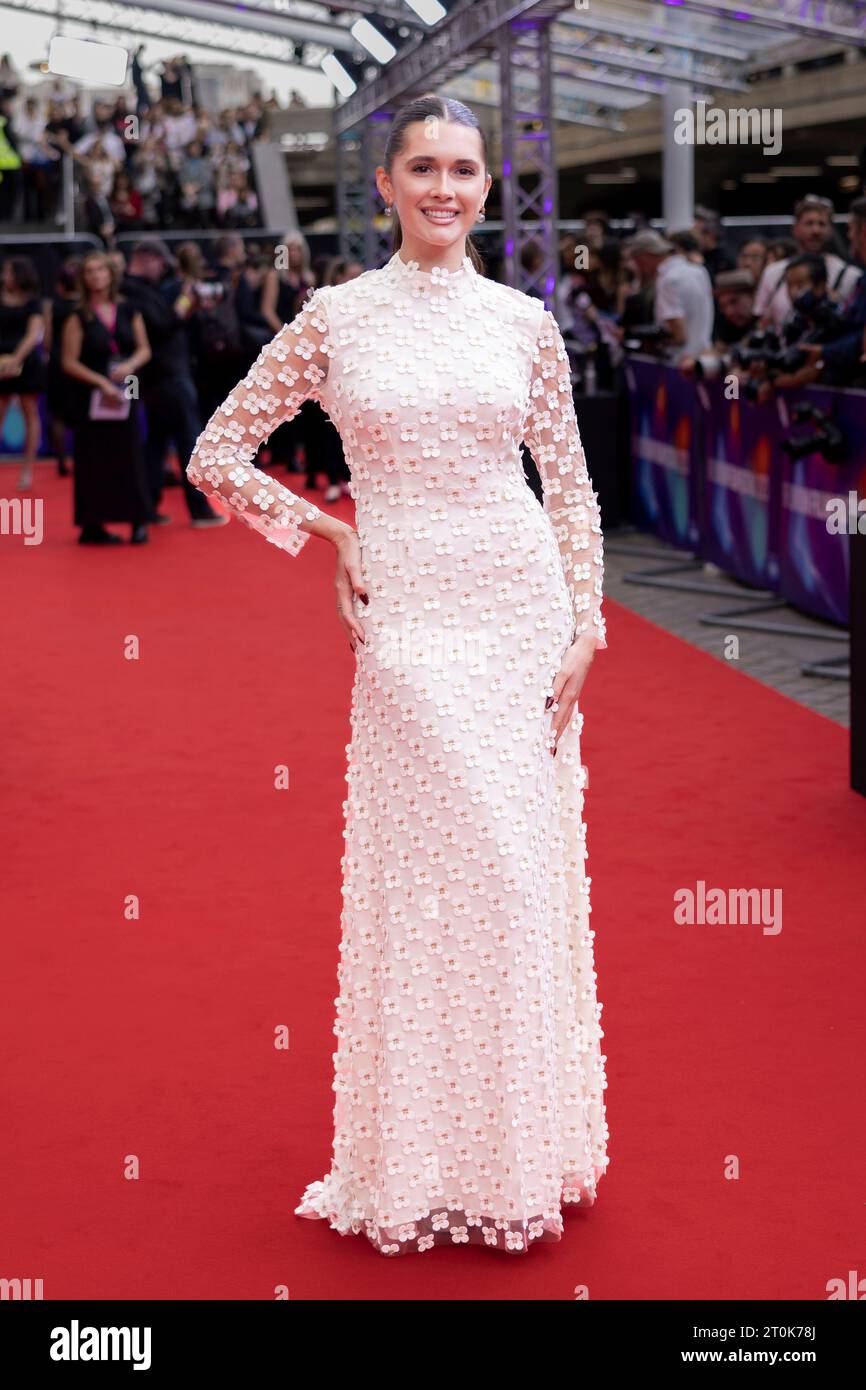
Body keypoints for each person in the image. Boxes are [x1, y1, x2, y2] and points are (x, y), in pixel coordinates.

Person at [185, 91, 609, 1259]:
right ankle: (415, 1157)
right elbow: (216, 451)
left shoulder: (523, 321)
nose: (442, 187)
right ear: (384, 184)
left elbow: (564, 484)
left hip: (522, 610)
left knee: (516, 883)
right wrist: (326, 533)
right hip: (410, 621)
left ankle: (521, 1148)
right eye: (420, 166)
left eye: (462, 169)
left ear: (486, 186)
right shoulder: (335, 319)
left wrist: (588, 622)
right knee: (438, 882)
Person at [122, 237, 226, 528]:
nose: (163, 270)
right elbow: (162, 325)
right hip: (166, 375)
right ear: (145, 258)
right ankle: (198, 510)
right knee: (188, 443)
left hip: (165, 375)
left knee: (156, 444)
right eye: (159, 263)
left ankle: (148, 506)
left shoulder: (145, 289)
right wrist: (185, 303)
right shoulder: (134, 290)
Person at [61, 250, 152, 545]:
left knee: (131, 453)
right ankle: (92, 524)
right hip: (92, 394)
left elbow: (144, 349)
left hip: (128, 388)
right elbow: (68, 361)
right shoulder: (78, 315)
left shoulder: (128, 309)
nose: (96, 276)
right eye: (90, 271)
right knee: (93, 458)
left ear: (111, 274)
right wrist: (100, 382)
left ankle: (139, 520)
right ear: (83, 278)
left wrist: (129, 365)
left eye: (101, 270)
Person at [754, 196, 860, 331]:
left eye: (822, 224)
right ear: (795, 228)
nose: (815, 230)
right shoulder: (773, 272)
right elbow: (761, 322)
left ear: (830, 229)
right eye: (809, 223)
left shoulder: (850, 275)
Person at [627, 229, 714, 362]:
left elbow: (679, 336)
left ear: (646, 255)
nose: (637, 268)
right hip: (702, 359)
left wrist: (647, 338)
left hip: (678, 363)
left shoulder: (668, 280)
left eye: (636, 261)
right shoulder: (699, 271)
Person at [0, 255, 45, 489]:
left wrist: (15, 360)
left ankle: (27, 470)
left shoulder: (33, 302)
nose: (3, 276)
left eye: (7, 272)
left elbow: (33, 334)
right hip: (0, 363)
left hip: (26, 363)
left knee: (30, 413)